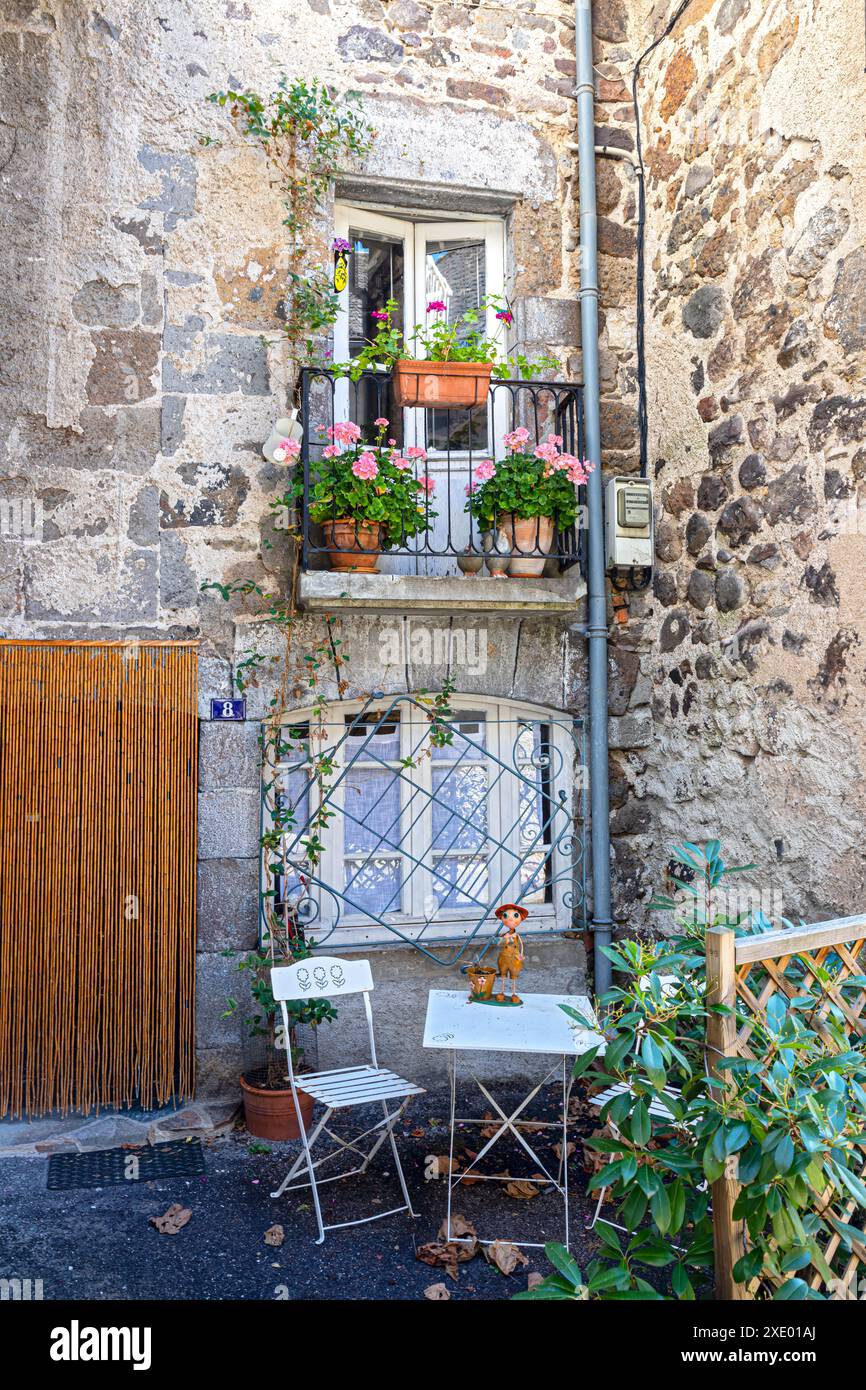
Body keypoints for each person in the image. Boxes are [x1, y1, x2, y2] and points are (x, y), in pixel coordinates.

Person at [494, 903, 527, 1004]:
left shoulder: (517, 936)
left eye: (515, 916)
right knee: (503, 975)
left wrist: (520, 955)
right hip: (504, 957)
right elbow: (497, 943)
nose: (511, 919)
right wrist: (501, 939)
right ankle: (502, 992)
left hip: (514, 958)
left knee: (514, 975)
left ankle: (514, 993)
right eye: (506, 916)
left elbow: (521, 945)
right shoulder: (504, 935)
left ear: (520, 918)